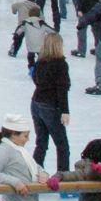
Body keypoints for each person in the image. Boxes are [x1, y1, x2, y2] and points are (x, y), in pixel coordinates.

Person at [30, 32, 72, 172]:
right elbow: (62, 89)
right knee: (62, 145)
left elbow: (36, 80)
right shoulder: (60, 64)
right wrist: (65, 111)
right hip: (50, 106)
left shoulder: (39, 62)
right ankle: (63, 176)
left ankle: (34, 173)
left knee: (41, 143)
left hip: (36, 103)